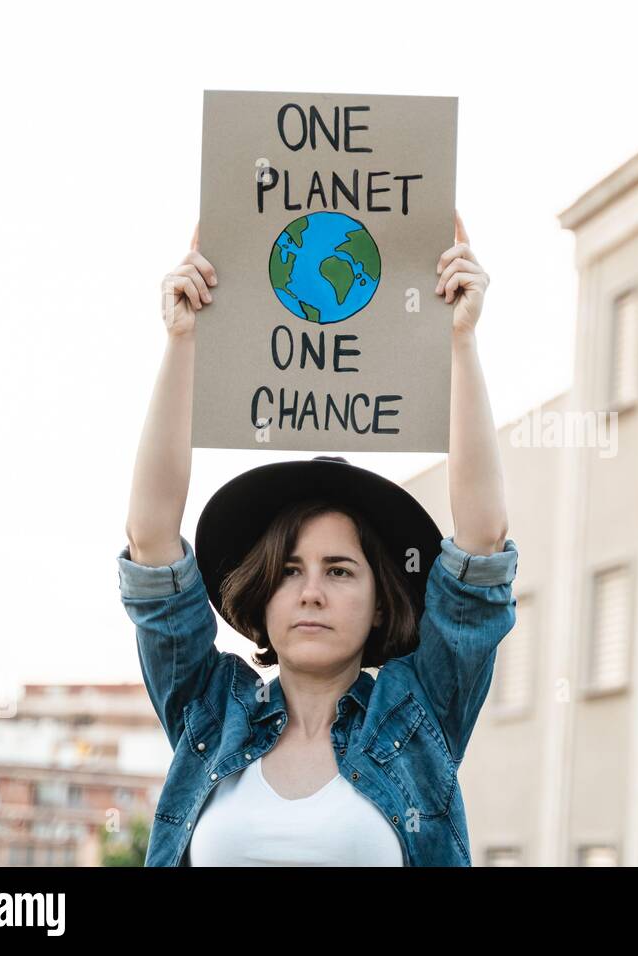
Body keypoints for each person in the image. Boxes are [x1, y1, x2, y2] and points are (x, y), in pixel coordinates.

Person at [117, 212, 517, 866]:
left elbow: (479, 549)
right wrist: (183, 340)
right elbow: (152, 542)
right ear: (261, 596)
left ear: (381, 600)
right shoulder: (210, 717)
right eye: (287, 571)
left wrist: (461, 343)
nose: (309, 593)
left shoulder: (417, 718)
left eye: (339, 571)